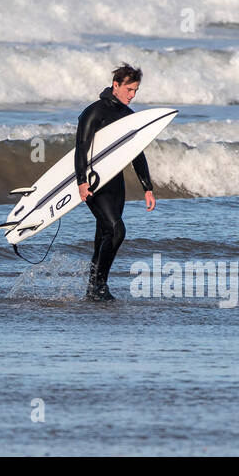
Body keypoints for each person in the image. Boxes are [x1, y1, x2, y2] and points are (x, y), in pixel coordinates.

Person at [74, 62, 156, 301]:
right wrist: (81, 182)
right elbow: (81, 149)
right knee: (117, 230)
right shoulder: (94, 112)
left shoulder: (128, 117)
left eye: (135, 91)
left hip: (115, 183)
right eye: (129, 90)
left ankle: (93, 289)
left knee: (103, 236)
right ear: (116, 85)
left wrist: (147, 188)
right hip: (94, 182)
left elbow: (137, 153)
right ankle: (99, 286)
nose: (132, 95)